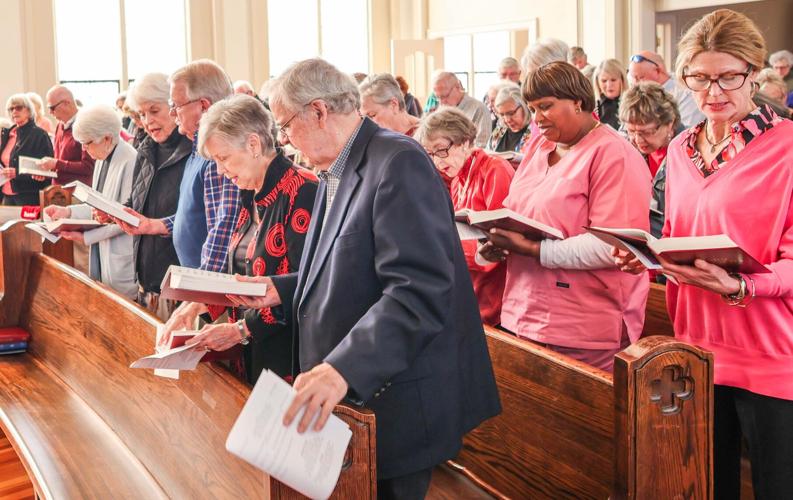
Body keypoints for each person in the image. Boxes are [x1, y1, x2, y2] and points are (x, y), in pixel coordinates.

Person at [215, 58, 500, 499]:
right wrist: (282, 289)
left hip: (396, 399)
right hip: (361, 404)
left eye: (286, 126)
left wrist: (343, 368)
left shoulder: (397, 162)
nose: (285, 141)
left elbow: (417, 290)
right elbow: (348, 264)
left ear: (319, 112)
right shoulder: (341, 165)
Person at [615, 10, 793, 499]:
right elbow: (676, 233)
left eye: (728, 77)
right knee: (704, 486)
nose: (713, 93)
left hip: (770, 351)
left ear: (755, 75)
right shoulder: (680, 149)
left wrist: (743, 285)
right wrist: (650, 259)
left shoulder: (787, 147)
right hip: (696, 343)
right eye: (699, 78)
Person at [479, 61, 650, 373]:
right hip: (524, 308)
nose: (537, 119)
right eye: (532, 109)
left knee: (578, 420)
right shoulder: (539, 146)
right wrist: (496, 242)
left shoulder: (613, 153)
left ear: (578, 102)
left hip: (584, 323)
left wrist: (534, 250)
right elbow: (517, 212)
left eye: (546, 106)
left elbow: (612, 246)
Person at [161, 95, 317, 384]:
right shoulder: (250, 193)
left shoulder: (301, 190)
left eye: (223, 158)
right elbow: (241, 273)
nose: (220, 171)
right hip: (253, 353)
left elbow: (308, 286)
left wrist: (241, 330)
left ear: (254, 145)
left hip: (291, 358)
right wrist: (196, 305)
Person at [118, 59, 241, 278]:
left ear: (203, 106)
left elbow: (223, 229)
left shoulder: (216, 154)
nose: (174, 114)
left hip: (207, 289)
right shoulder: (197, 146)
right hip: (193, 283)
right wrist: (153, 225)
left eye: (176, 106)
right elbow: (194, 214)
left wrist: (202, 291)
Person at [416, 106, 514, 325]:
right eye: (430, 154)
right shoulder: (459, 177)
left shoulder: (494, 169)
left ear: (466, 141)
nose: (437, 161)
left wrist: (446, 247)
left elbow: (500, 239)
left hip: (495, 298)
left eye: (441, 150)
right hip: (472, 292)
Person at [117, 72, 192, 320]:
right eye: (141, 114)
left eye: (154, 111)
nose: (147, 121)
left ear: (173, 107)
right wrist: (117, 212)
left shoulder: (193, 151)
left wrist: (153, 225)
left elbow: (195, 218)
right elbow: (140, 200)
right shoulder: (146, 150)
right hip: (146, 276)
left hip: (179, 279)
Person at [44, 105, 137, 298]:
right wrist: (67, 212)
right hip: (103, 252)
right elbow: (98, 206)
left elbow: (129, 218)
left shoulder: (131, 161)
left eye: (87, 143)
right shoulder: (102, 157)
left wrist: (85, 238)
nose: (84, 149)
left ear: (107, 138)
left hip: (121, 253)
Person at [618, 82, 681, 238]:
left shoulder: (687, 153)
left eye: (647, 132)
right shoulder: (630, 149)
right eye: (631, 131)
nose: (638, 140)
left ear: (670, 123)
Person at [628, 51, 705, 128]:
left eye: (640, 77)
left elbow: (687, 131)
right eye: (633, 78)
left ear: (657, 71)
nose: (635, 83)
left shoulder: (686, 93)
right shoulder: (637, 93)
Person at [0, 94, 53, 205]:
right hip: (6, 193)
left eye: (18, 107)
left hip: (28, 195)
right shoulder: (7, 133)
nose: (14, 111)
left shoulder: (39, 135)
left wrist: (18, 173)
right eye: (11, 109)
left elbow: (47, 169)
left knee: (25, 223)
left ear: (29, 110)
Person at [39, 85, 96, 186]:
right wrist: (46, 172)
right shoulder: (60, 125)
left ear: (66, 103)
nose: (50, 112)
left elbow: (89, 167)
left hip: (77, 192)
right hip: (59, 191)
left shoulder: (86, 125)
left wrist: (56, 163)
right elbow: (59, 161)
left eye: (52, 108)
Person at [432, 72, 492, 147]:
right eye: (438, 97)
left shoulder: (479, 109)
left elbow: (481, 145)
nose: (441, 102)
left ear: (458, 87)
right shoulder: (441, 110)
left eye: (445, 96)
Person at [489, 85, 531, 156]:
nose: (507, 120)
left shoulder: (536, 131)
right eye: (502, 115)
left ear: (524, 107)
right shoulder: (500, 129)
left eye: (511, 113)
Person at [593, 59, 627, 130]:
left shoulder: (631, 104)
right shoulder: (592, 107)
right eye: (604, 81)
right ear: (597, 83)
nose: (609, 85)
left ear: (622, 80)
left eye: (613, 80)